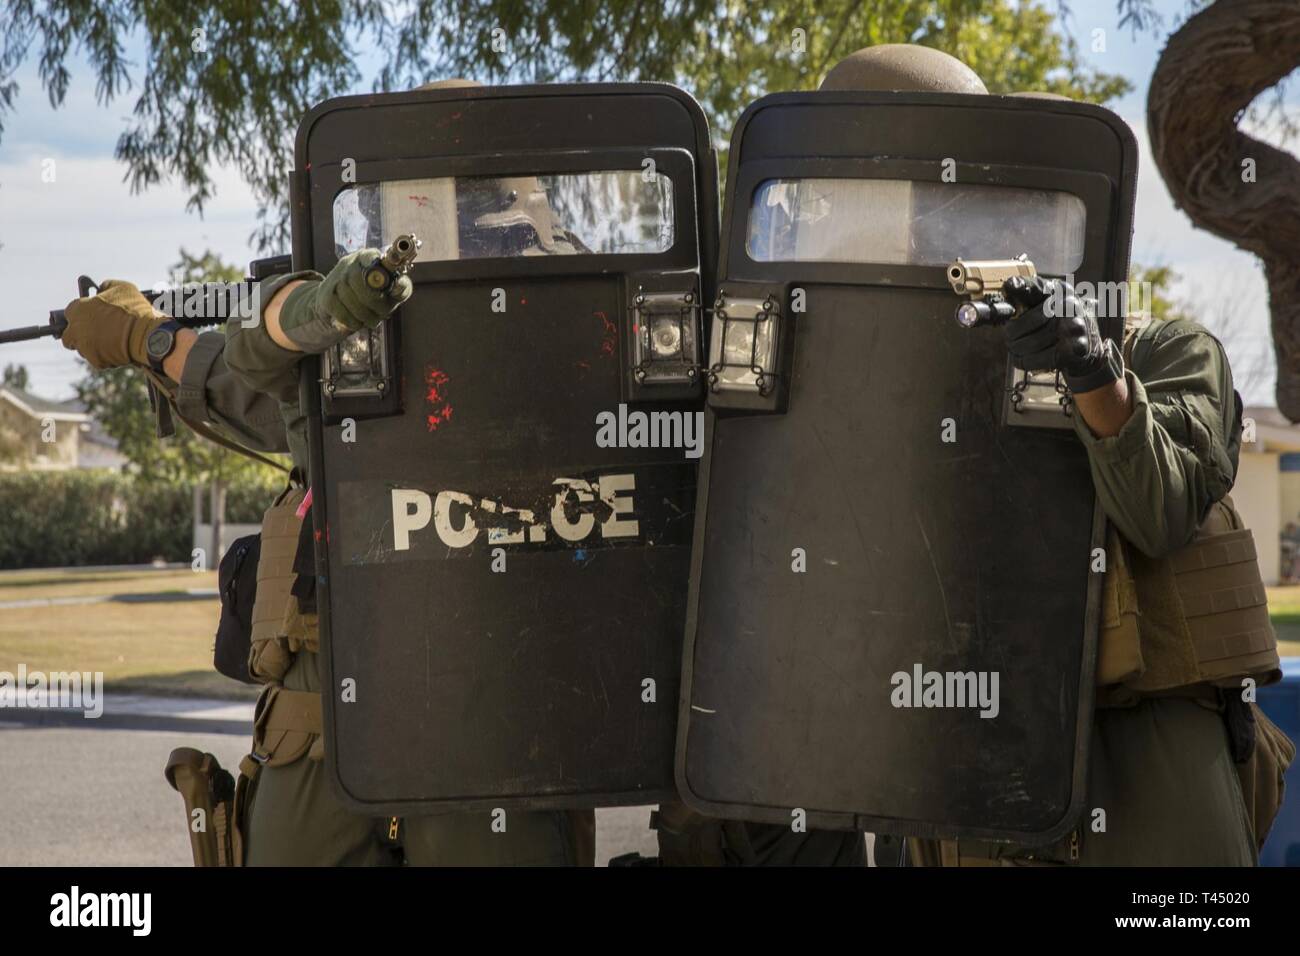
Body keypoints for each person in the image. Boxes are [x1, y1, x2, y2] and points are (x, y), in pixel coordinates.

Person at [818, 43, 1291, 866]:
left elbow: (1161, 510)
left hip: (1140, 743)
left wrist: (1091, 372)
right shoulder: (858, 381)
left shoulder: (1169, 350)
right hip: (945, 739)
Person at [60, 251, 594, 866]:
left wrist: (146, 336)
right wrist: (147, 335)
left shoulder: (555, 318)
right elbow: (261, 354)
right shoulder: (333, 341)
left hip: (485, 717)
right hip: (329, 717)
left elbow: (249, 359)